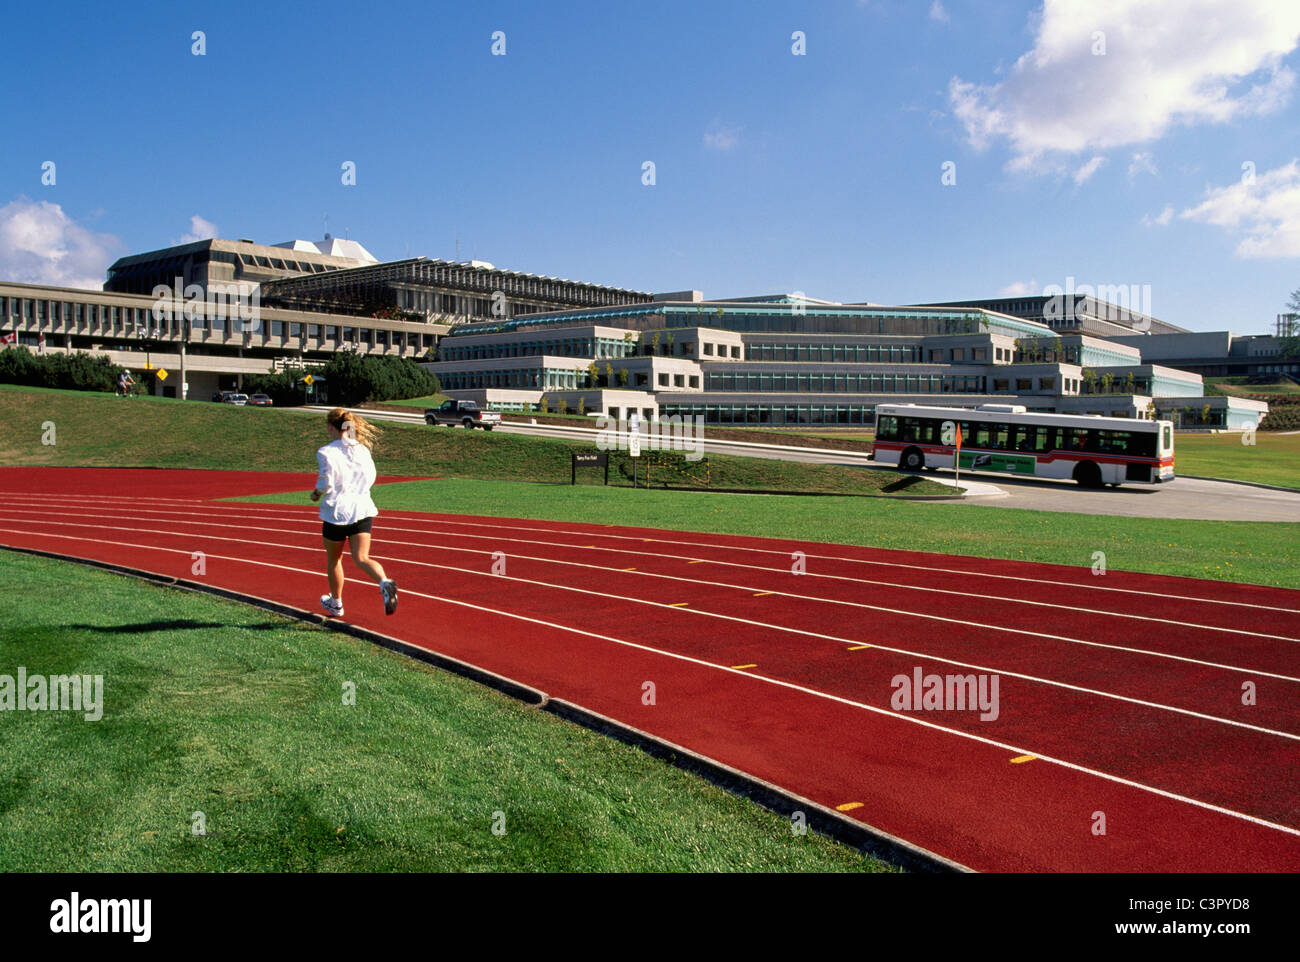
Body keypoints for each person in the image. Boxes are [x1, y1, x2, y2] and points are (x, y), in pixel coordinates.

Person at [310, 408, 398, 618]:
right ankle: (384, 581)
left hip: (336, 513)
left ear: (331, 427)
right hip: (362, 508)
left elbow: (326, 483)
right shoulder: (362, 450)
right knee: (361, 557)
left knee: (334, 560)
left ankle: (336, 603)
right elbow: (371, 476)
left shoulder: (326, 452)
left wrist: (316, 493)